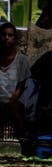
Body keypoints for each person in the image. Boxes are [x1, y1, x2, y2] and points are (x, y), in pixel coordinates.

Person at [0, 22, 31, 151]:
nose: (6, 38)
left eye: (10, 35)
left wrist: (12, 100)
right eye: (3, 35)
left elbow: (20, 87)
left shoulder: (21, 60)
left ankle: (25, 145)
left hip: (12, 102)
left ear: (15, 38)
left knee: (15, 109)